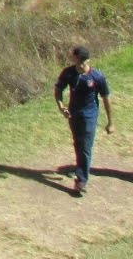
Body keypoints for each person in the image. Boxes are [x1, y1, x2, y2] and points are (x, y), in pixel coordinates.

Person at [54, 44, 113, 194]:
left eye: (74, 57)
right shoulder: (68, 73)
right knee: (78, 144)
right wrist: (61, 106)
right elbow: (58, 90)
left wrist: (110, 122)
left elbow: (106, 98)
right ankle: (81, 171)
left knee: (85, 146)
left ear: (81, 59)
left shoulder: (97, 77)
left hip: (89, 115)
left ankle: (81, 180)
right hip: (74, 114)